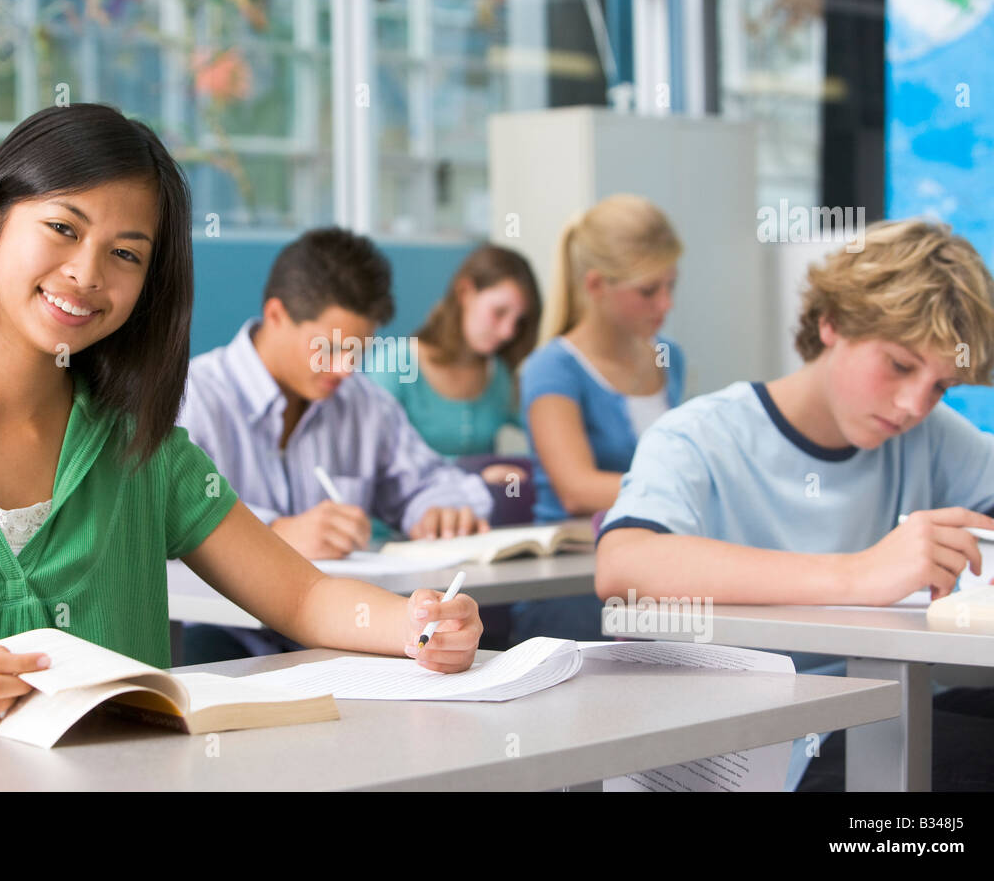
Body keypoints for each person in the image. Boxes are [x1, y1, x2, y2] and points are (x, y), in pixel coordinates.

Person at [0, 104, 482, 733]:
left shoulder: (145, 449)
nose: (86, 273)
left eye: (125, 254)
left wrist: (415, 624)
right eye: (61, 228)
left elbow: (303, 595)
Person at [596, 219, 994, 791]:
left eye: (941, 385)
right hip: (764, 743)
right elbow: (624, 566)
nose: (914, 403)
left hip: (890, 700)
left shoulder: (928, 434)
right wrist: (860, 573)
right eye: (899, 364)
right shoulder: (698, 435)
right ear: (832, 323)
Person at [177, 226, 493, 661]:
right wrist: (274, 532)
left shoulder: (364, 405)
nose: (344, 368)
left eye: (358, 351)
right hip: (225, 633)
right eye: (328, 348)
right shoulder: (193, 399)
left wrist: (435, 508)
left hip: (343, 630)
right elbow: (155, 530)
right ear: (276, 315)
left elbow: (430, 481)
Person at [509, 195, 685, 642]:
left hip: (656, 572)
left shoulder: (670, 358)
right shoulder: (551, 368)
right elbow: (577, 489)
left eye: (671, 286)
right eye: (648, 290)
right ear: (595, 285)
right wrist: (688, 490)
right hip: (573, 593)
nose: (665, 304)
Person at [365, 243, 539, 488]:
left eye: (518, 321)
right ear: (465, 293)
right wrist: (472, 476)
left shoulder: (499, 375)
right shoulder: (396, 364)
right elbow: (377, 460)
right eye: (499, 312)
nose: (508, 332)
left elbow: (547, 429)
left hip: (478, 520)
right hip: (404, 521)